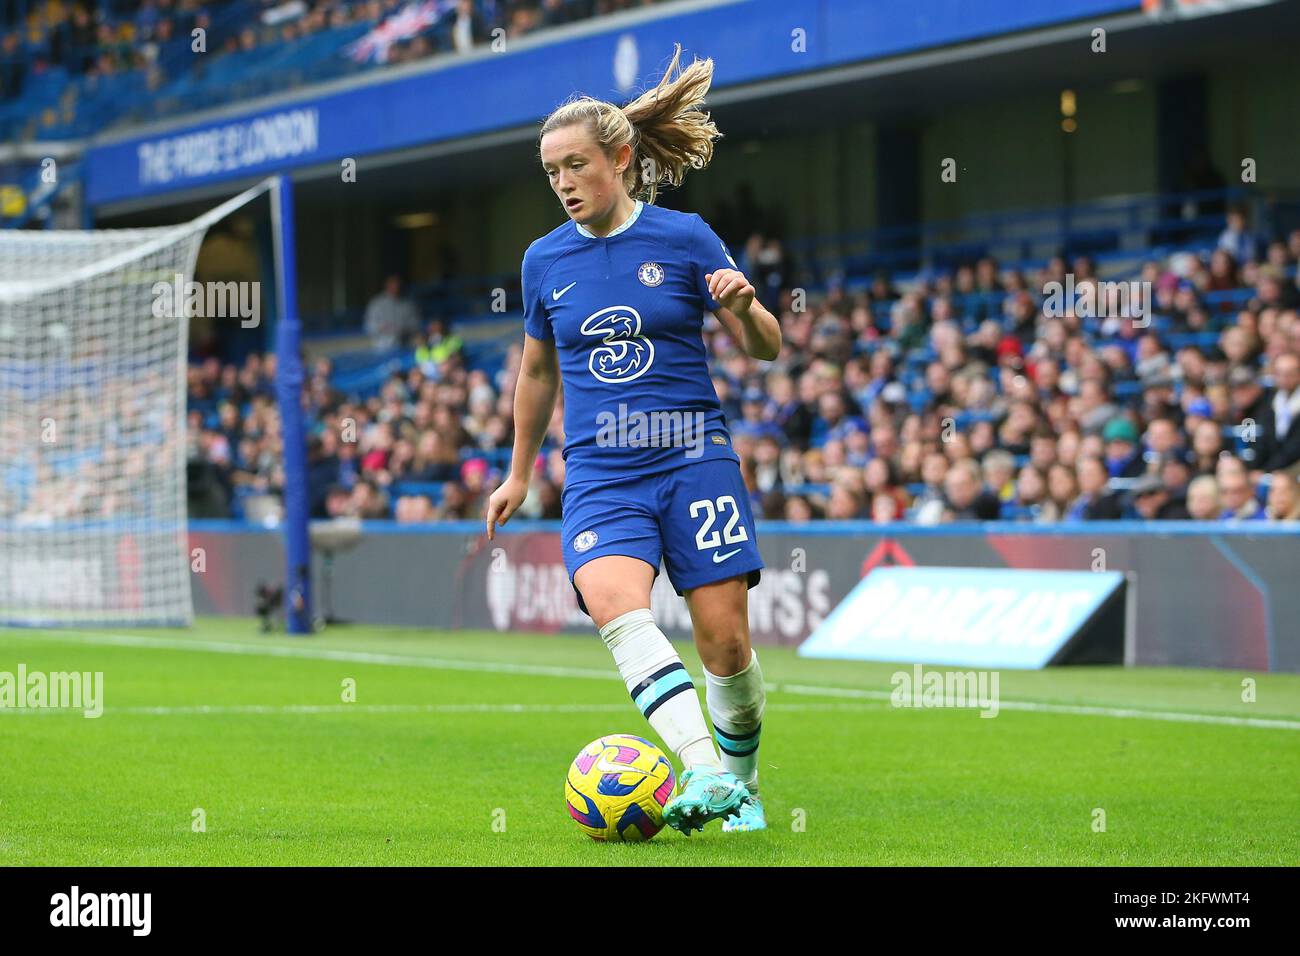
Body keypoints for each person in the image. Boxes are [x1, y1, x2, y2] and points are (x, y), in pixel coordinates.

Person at [485, 45, 781, 835]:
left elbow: (767, 347)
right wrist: (517, 472)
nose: (563, 183)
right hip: (601, 473)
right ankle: (708, 769)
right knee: (617, 603)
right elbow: (537, 372)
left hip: (693, 458)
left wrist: (747, 307)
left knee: (725, 646)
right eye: (551, 172)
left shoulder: (685, 239)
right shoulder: (543, 262)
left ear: (620, 158)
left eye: (576, 165)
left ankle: (744, 786)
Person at [363, 275, 421, 351]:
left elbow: (415, 324)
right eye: (392, 285)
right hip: (381, 347)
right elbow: (368, 325)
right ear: (387, 286)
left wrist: (402, 329)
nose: (395, 288)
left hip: (404, 346)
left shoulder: (408, 305)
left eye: (397, 285)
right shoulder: (376, 303)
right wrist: (382, 328)